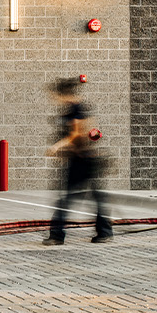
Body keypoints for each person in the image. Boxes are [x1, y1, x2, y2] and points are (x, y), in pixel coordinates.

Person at [43, 77, 113, 246]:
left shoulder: (76, 108)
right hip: (81, 159)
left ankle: (57, 235)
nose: (55, 99)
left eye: (56, 95)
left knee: (67, 199)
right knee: (93, 197)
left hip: (83, 160)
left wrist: (57, 146)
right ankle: (104, 232)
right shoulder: (73, 108)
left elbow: (75, 134)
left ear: (63, 94)